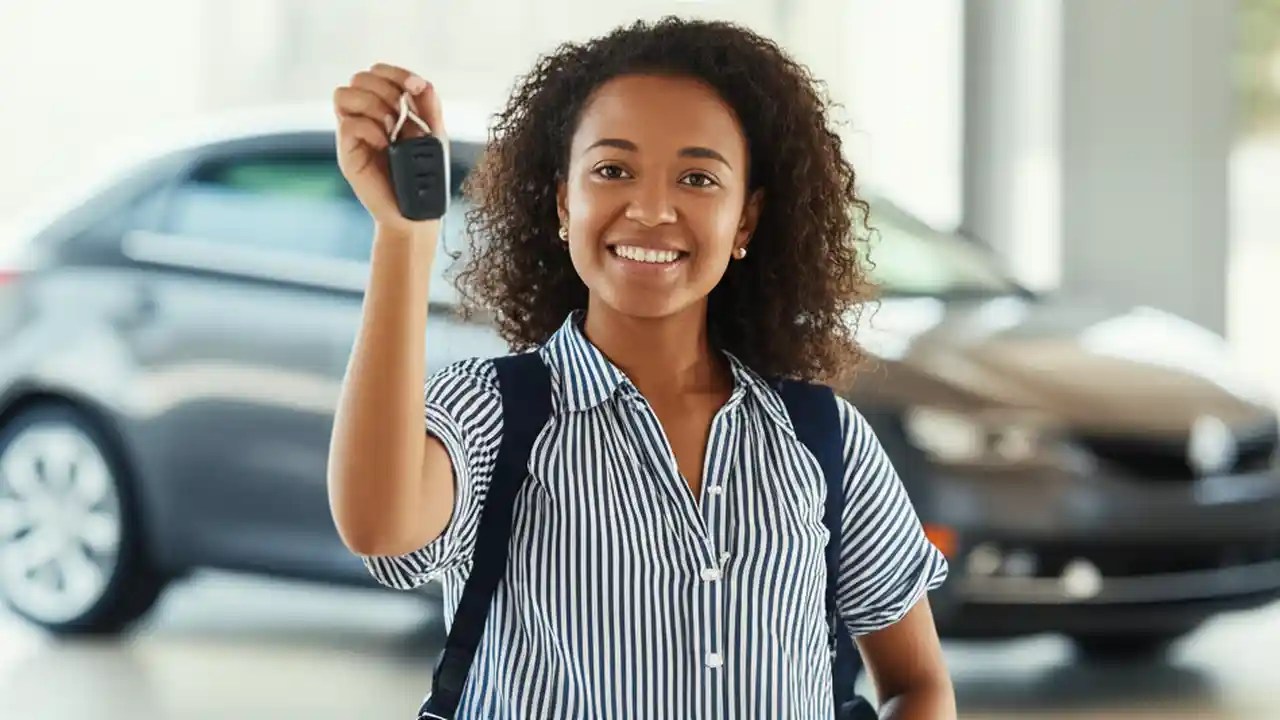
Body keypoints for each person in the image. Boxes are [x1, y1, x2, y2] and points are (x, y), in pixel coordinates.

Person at [327, 17, 955, 720]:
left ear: (745, 223)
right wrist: (406, 235)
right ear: (565, 202)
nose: (653, 208)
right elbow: (377, 526)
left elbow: (916, 684)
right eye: (612, 170)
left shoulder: (820, 438)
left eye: (697, 177)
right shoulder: (493, 416)